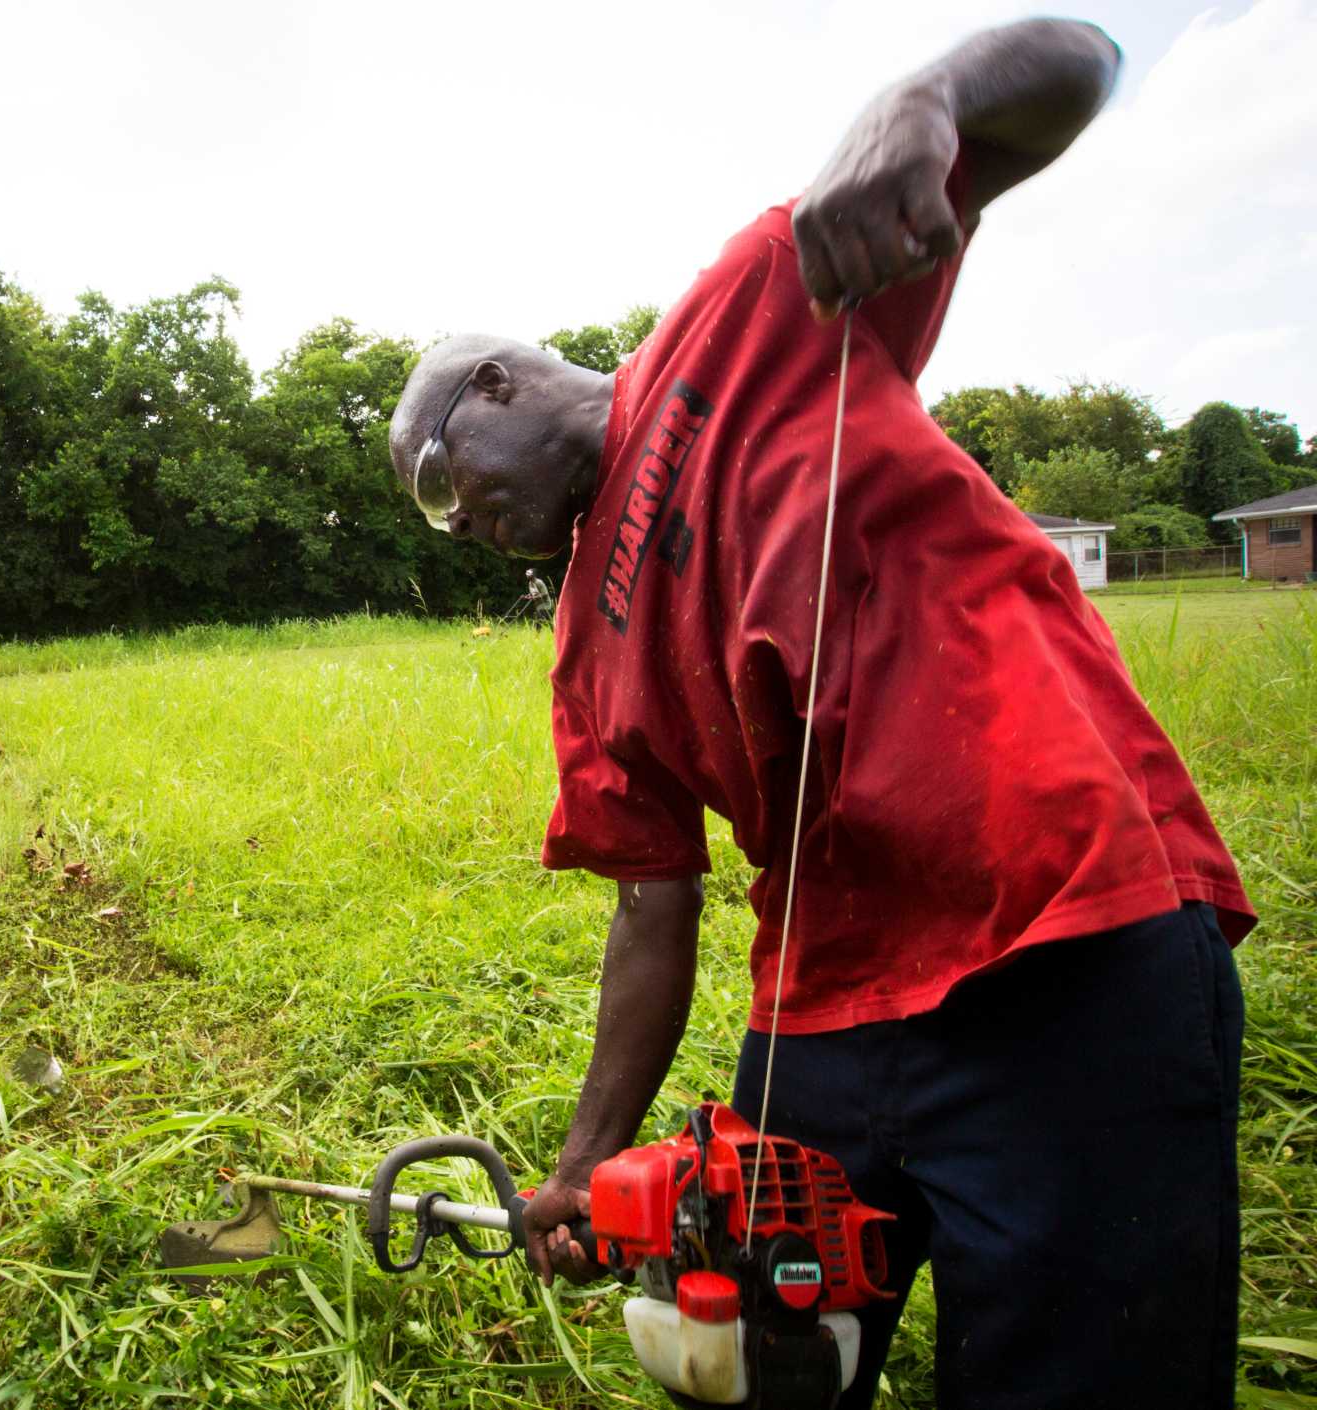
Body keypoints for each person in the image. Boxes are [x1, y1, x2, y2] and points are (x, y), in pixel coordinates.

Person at [388, 19, 1251, 1409]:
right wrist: (581, 1165)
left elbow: (1075, 65)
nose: (459, 522)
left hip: (1058, 932)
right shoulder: (580, 657)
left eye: (442, 479)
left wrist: (929, 96)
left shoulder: (744, 313)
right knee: (751, 1365)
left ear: (496, 383)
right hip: (816, 1020)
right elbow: (651, 906)